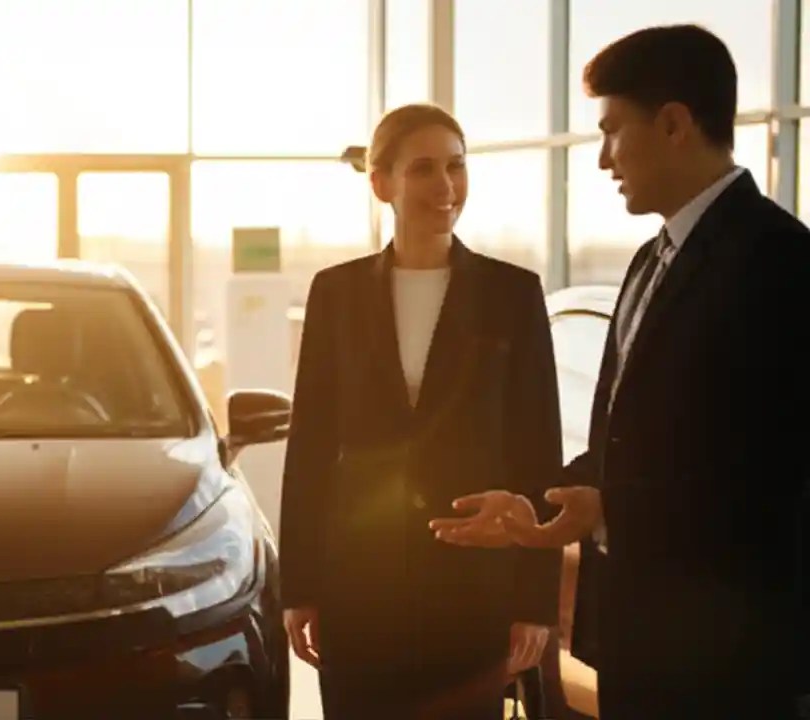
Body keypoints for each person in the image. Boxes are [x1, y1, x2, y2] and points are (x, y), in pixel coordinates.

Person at [429, 24, 808, 718]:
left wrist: (612, 509)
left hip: (730, 664)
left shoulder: (781, 264)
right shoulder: (646, 263)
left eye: (611, 131)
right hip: (642, 650)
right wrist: (538, 506)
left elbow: (776, 481)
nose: (603, 159)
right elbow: (620, 446)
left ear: (672, 125)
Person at [279, 103, 563, 718]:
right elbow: (310, 447)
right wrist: (298, 586)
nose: (446, 186)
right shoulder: (336, 292)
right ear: (381, 183)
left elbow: (539, 448)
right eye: (424, 169)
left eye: (457, 167)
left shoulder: (512, 294)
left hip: (473, 590)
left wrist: (534, 601)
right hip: (358, 587)